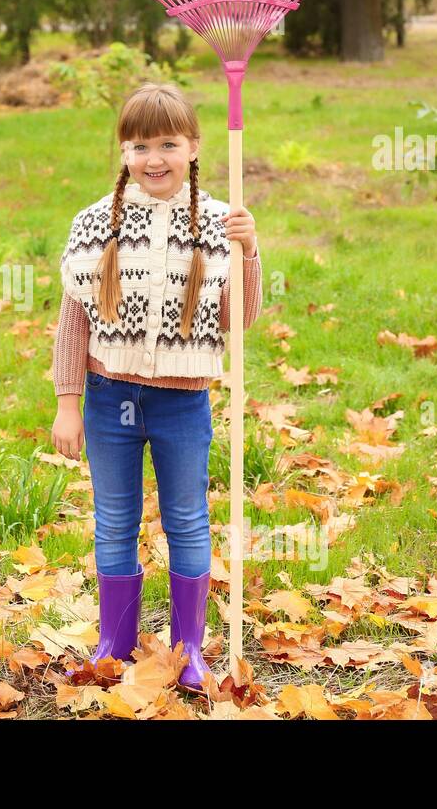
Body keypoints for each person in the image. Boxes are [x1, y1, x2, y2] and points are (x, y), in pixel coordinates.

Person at [50, 82, 262, 693]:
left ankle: (187, 649)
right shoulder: (94, 225)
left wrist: (249, 254)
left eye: (168, 143)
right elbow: (72, 323)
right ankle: (114, 643)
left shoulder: (222, 222)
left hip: (182, 402)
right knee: (113, 520)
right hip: (108, 398)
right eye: (139, 145)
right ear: (123, 153)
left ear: (193, 147)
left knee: (188, 520)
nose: (154, 158)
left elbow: (237, 321)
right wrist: (68, 405)